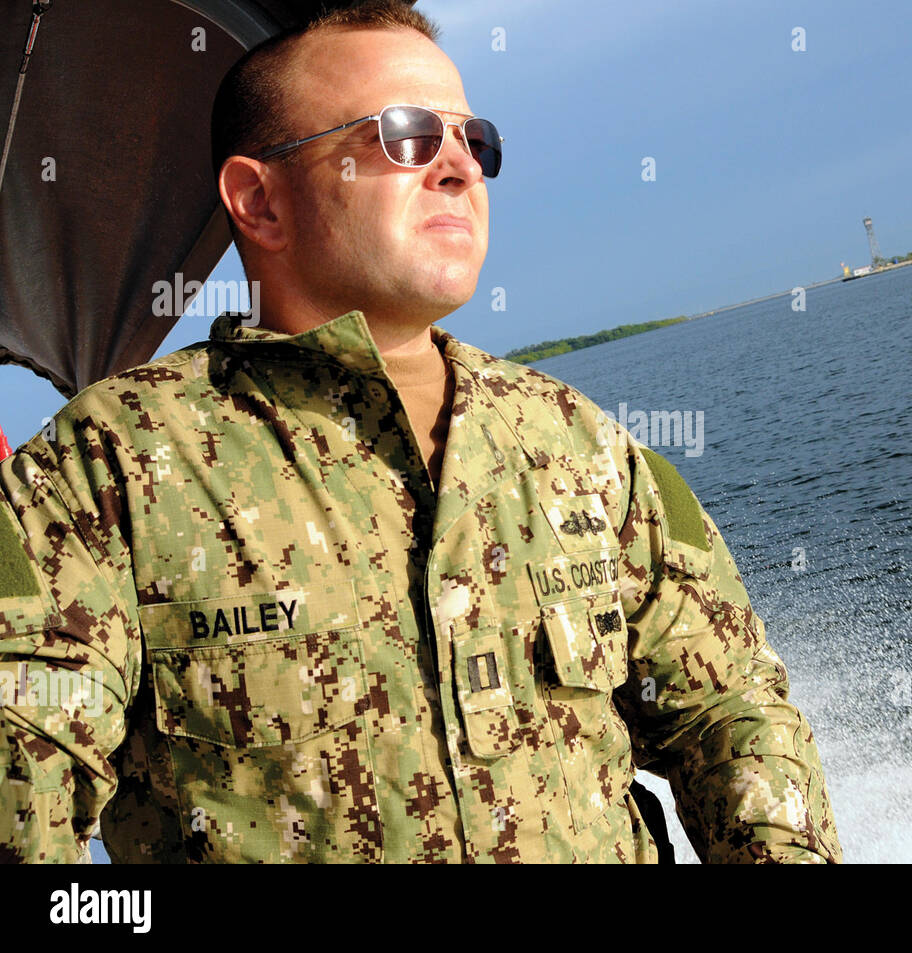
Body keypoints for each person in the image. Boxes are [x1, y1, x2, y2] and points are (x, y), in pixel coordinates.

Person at [0, 0, 841, 863]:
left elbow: (733, 713)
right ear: (259, 200)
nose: (458, 167)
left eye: (473, 142)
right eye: (401, 135)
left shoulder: (578, 444)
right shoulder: (104, 471)